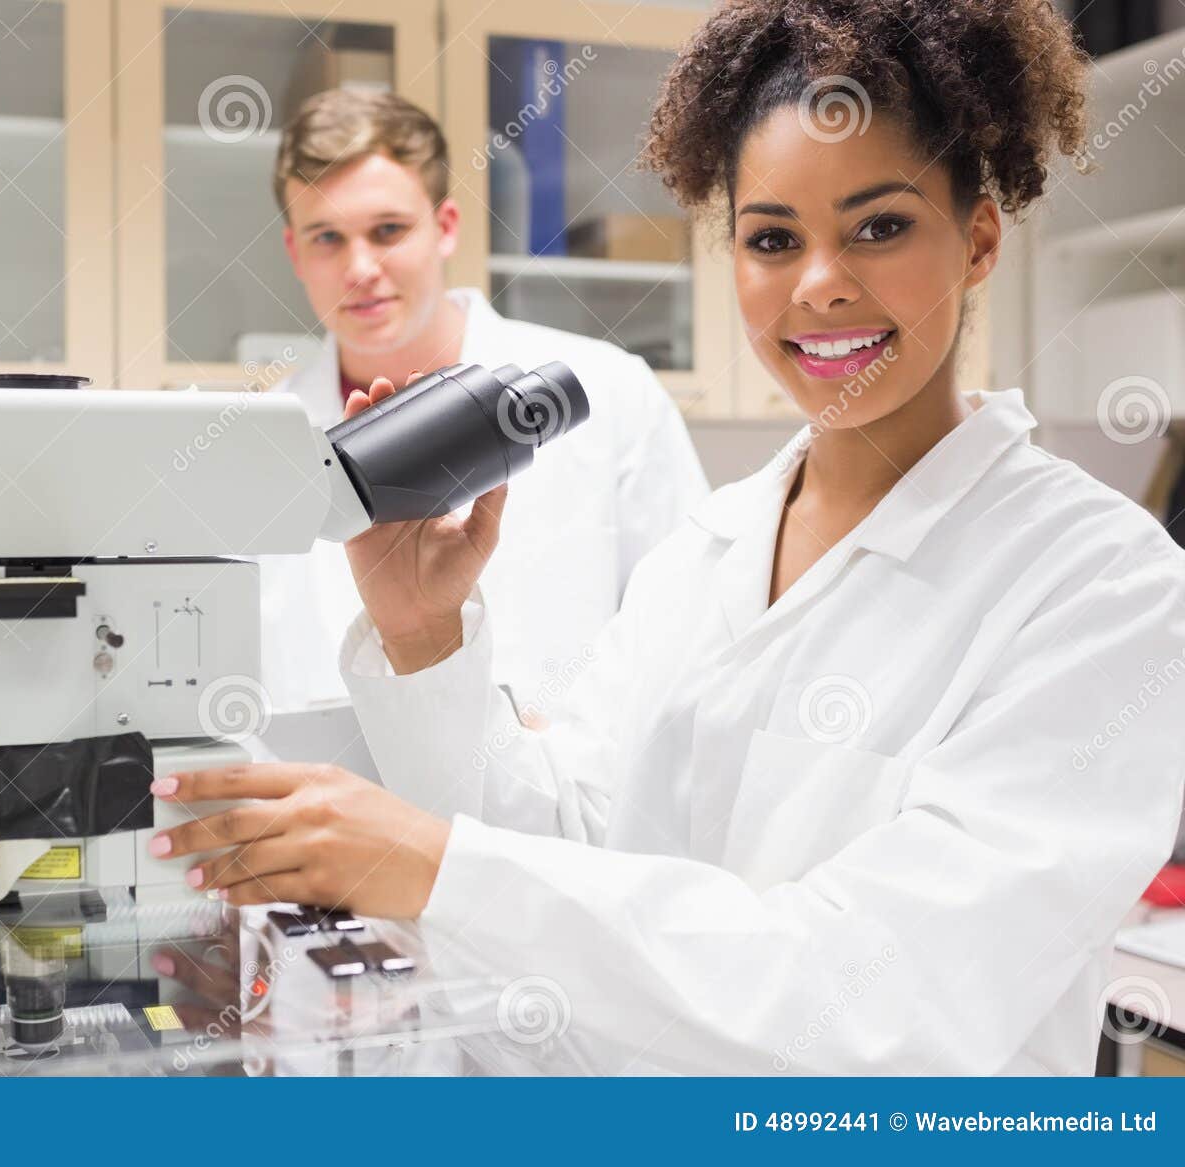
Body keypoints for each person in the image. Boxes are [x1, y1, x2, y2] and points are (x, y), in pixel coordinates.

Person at [149, 0, 1185, 1073]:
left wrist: (431, 865)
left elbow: (880, 1002)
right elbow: (563, 840)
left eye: (879, 226)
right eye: (771, 238)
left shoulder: (1099, 585)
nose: (820, 283)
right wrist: (423, 637)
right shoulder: (712, 548)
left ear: (975, 241)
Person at [259, 89, 708, 712]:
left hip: (559, 799)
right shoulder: (257, 444)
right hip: (331, 799)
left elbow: (691, 628)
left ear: (444, 228)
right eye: (327, 237)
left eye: (387, 230)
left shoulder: (610, 393)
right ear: (294, 253)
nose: (360, 268)